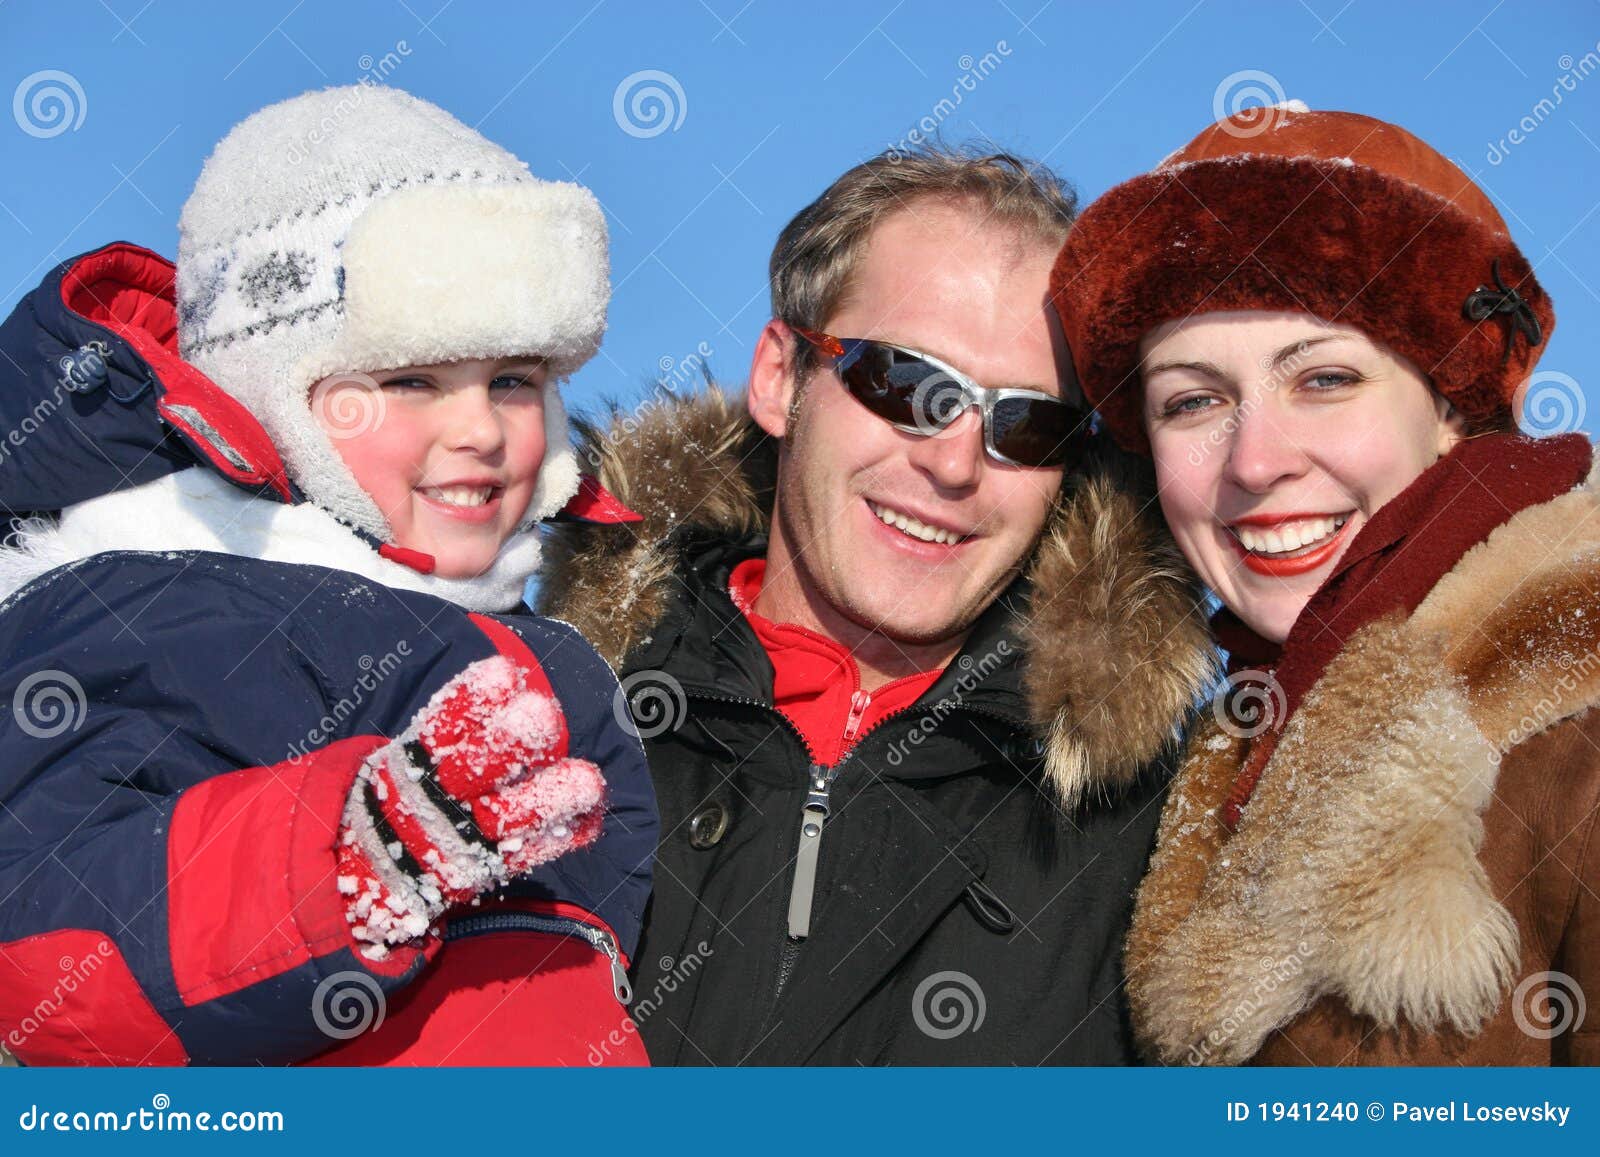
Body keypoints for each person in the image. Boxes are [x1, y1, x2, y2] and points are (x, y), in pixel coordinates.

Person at [0, 86, 656, 1066]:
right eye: (411, 380)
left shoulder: (559, 648)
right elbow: (47, 942)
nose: (479, 429)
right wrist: (349, 857)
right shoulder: (160, 601)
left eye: (514, 379)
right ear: (279, 393)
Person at [537, 146, 1218, 1064]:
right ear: (782, 377)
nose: (954, 463)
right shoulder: (543, 725)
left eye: (1027, 423)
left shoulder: (1154, 843)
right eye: (906, 384)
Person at [1051, 105, 1600, 1065]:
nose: (1255, 462)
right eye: (1193, 400)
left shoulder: (1574, 714)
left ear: (1449, 411)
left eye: (1325, 380)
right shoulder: (1217, 752)